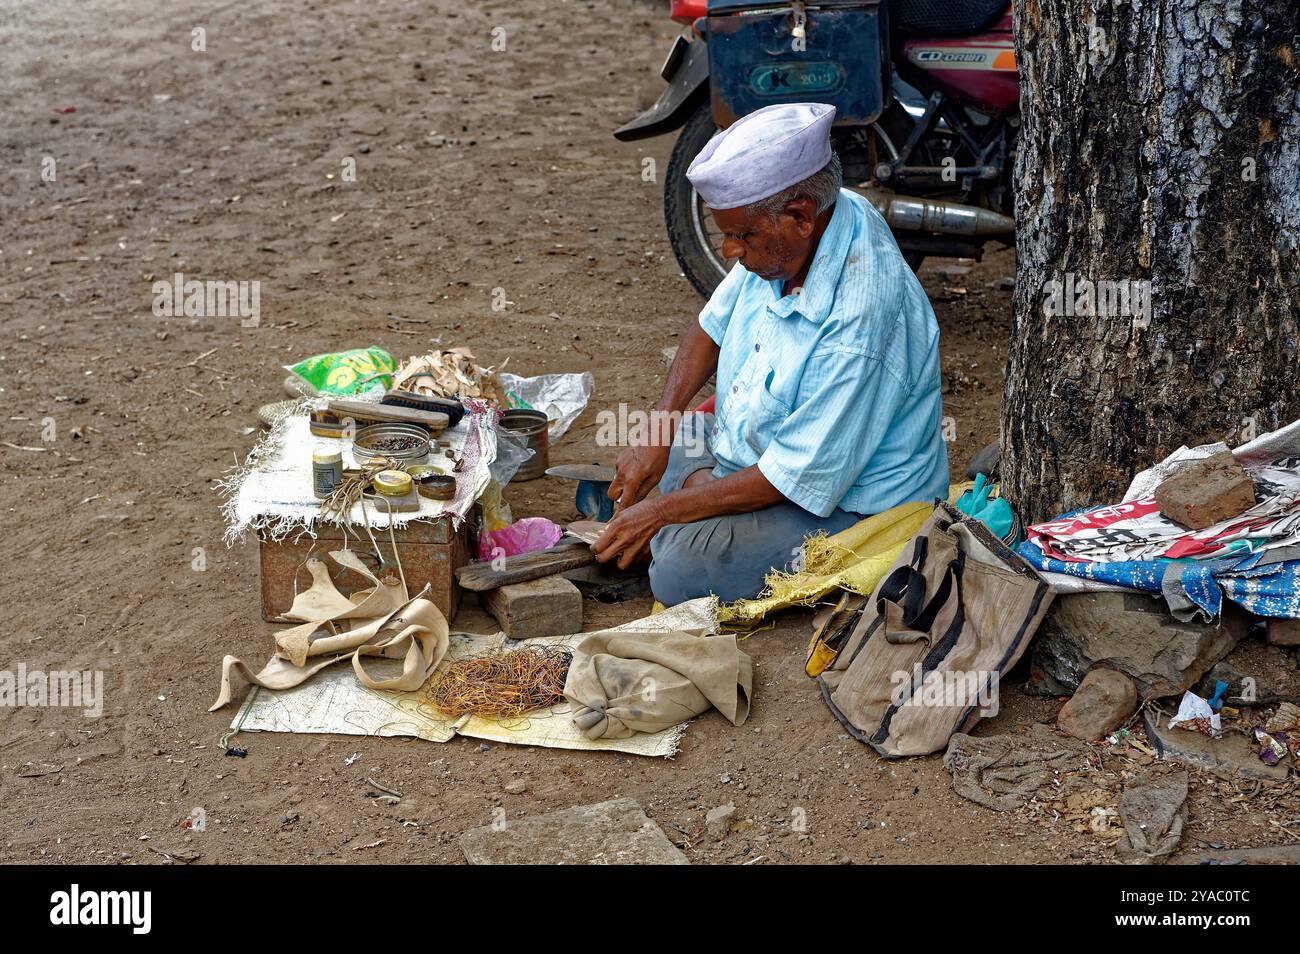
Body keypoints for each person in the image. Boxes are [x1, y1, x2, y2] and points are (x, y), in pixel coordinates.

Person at [592, 102, 949, 605]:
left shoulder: (860, 317)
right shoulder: (802, 230)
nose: (728, 251)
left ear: (801, 216)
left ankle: (695, 509)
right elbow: (707, 329)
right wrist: (657, 429)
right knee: (681, 428)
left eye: (741, 236)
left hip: (847, 503)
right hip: (759, 455)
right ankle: (705, 499)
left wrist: (664, 511)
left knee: (676, 571)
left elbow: (790, 477)